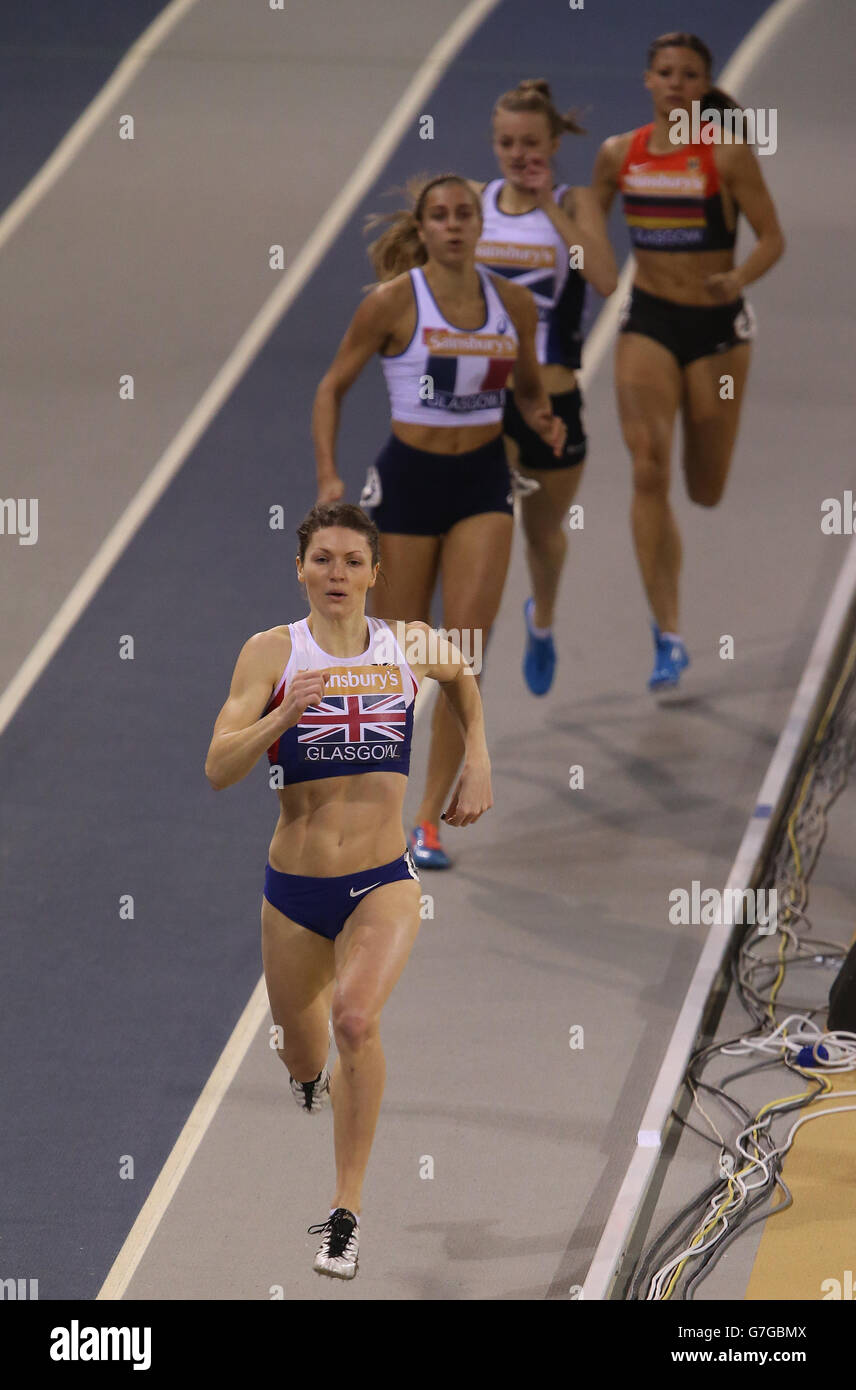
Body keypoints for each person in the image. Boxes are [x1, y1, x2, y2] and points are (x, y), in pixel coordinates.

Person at [204, 501, 492, 1277]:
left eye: (352, 561)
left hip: (382, 880)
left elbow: (462, 677)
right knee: (304, 1052)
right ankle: (306, 1079)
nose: (337, 574)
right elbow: (218, 770)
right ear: (300, 569)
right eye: (323, 559)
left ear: (375, 573)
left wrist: (479, 759)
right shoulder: (271, 654)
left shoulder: (409, 645)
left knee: (355, 1020)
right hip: (294, 892)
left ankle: (344, 1214)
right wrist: (281, 717)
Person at [311, 174, 566, 868]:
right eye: (441, 216)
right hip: (408, 487)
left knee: (460, 657)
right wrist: (329, 474)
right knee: (394, 662)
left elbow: (529, 385)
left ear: (479, 225)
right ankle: (371, 804)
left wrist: (541, 417)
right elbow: (332, 387)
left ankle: (427, 820)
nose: (454, 225)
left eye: (464, 214)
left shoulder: (512, 303)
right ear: (422, 229)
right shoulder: (394, 303)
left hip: (482, 484)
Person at [591, 32, 785, 689]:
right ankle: (667, 634)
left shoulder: (726, 155)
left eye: (690, 74)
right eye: (665, 72)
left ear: (704, 87)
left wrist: (738, 280)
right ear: (648, 80)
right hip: (649, 321)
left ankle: (670, 622)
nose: (676, 83)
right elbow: (589, 224)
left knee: (704, 487)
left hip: (718, 330)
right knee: (648, 465)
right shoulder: (618, 154)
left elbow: (771, 237)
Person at [470, 79, 618, 694]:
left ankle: (543, 619)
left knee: (544, 534)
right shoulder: (475, 201)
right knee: (486, 524)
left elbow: (605, 277)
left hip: (554, 398)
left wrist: (548, 206)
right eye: (506, 142)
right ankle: (471, 650)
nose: (517, 153)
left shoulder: (574, 201)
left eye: (530, 142)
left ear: (553, 143)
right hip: (484, 399)